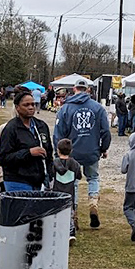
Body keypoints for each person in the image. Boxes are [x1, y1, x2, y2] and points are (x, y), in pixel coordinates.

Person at [54, 79, 111, 228]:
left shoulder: (65, 108)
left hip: (72, 153)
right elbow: (105, 131)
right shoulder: (98, 108)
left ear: (74, 89)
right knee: (93, 177)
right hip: (91, 151)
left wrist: (58, 151)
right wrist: (103, 148)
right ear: (88, 90)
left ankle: (74, 213)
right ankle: (93, 203)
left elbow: (59, 133)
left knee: (73, 182)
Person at [0, 88, 54, 192]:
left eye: (33, 104)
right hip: (17, 180)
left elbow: (49, 153)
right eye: (26, 105)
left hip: (39, 181)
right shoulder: (11, 129)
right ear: (17, 108)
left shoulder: (41, 126)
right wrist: (28, 153)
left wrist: (50, 174)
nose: (31, 107)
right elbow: (4, 158)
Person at [52, 137, 82, 245]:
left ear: (57, 150)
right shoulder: (75, 164)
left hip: (57, 191)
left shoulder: (54, 163)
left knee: (56, 213)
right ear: (71, 150)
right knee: (69, 214)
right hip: (70, 192)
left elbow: (51, 175)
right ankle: (71, 232)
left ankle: (56, 232)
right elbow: (79, 176)